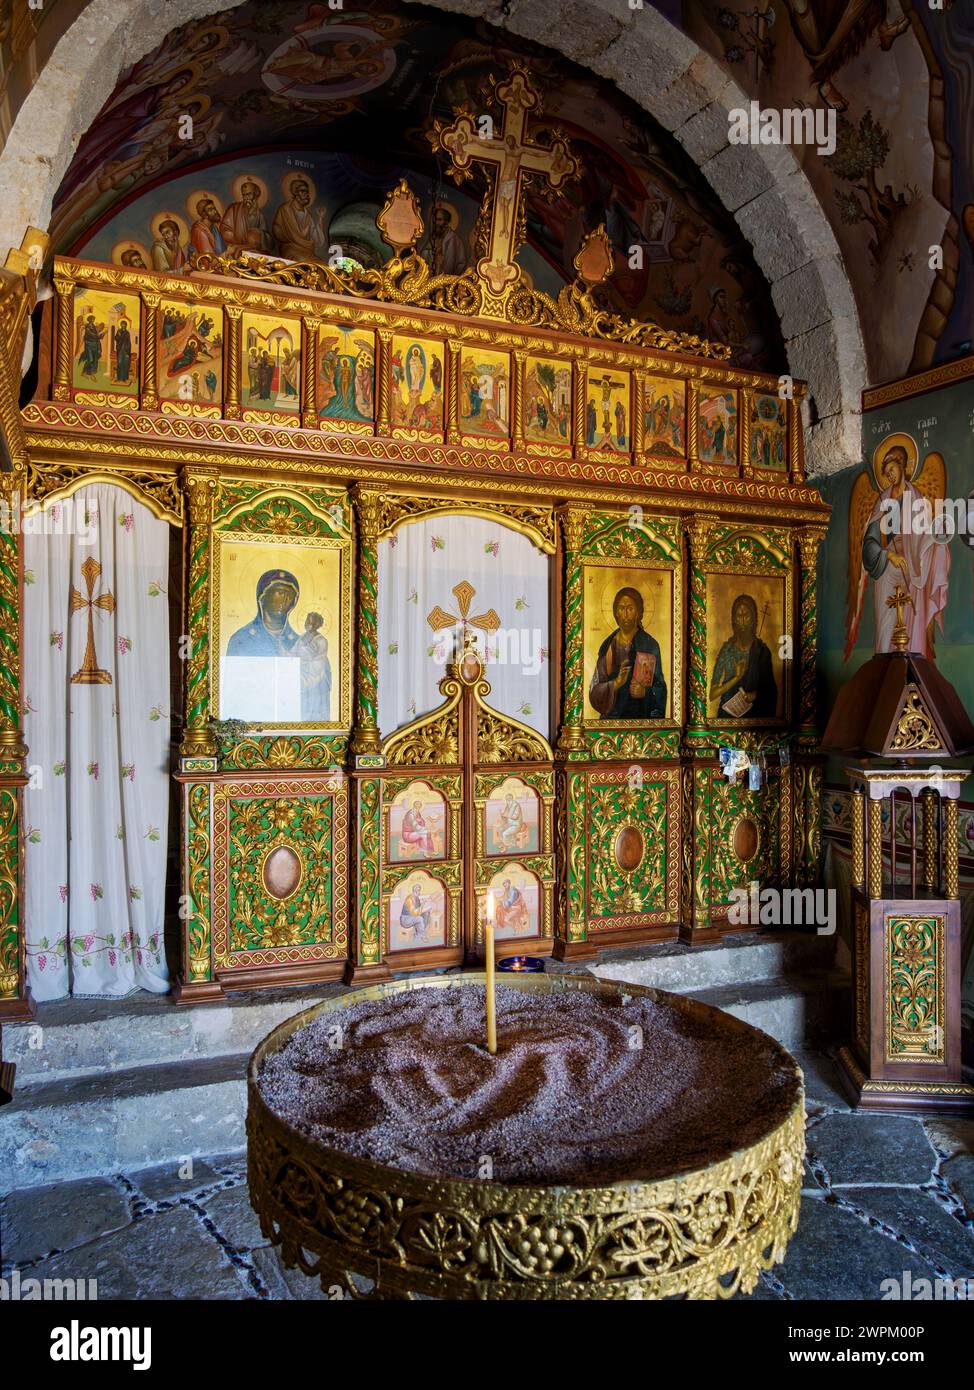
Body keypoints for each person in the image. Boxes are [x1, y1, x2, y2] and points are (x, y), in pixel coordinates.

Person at [589, 586, 667, 719]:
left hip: (640, 718)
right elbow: (595, 690)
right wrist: (615, 684)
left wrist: (645, 692)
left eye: (630, 608)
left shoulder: (649, 645)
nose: (625, 614)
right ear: (616, 613)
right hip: (612, 720)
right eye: (621, 608)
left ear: (638, 612)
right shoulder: (608, 646)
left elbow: (660, 687)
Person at [710, 593, 778, 719]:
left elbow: (771, 691)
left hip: (754, 716)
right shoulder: (728, 650)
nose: (742, 621)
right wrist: (736, 677)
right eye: (738, 616)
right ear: (733, 619)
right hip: (728, 715)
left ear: (753, 619)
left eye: (746, 615)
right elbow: (712, 694)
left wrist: (755, 695)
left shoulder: (762, 652)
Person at [226, 570, 301, 657]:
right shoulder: (241, 640)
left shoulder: (299, 644)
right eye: (280, 593)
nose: (285, 600)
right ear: (262, 597)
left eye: (290, 595)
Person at [296, 611, 331, 720]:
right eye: (307, 621)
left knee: (314, 703)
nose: (308, 624)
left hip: (317, 677)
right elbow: (294, 652)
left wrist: (304, 665)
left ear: (317, 624)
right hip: (301, 674)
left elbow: (319, 662)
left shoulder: (321, 641)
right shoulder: (302, 637)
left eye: (311, 621)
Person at [220, 179, 271, 252]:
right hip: (237, 246)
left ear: (255, 195)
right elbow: (225, 228)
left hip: (252, 250)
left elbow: (267, 239)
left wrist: (257, 236)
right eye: (244, 195)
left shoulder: (260, 216)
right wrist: (236, 238)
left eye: (249, 194)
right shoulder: (234, 209)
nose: (246, 198)